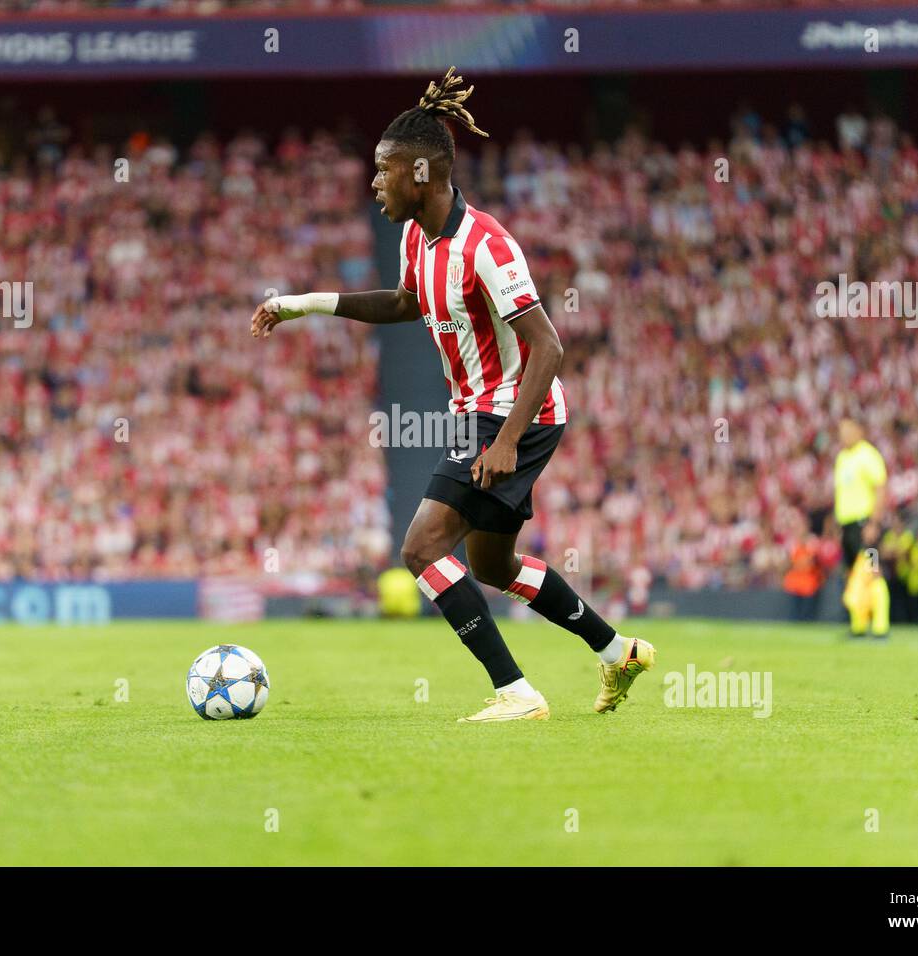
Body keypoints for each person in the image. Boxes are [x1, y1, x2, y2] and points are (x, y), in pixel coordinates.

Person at [250, 68, 654, 722]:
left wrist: (506, 441)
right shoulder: (417, 235)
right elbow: (404, 302)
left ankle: (516, 694)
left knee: (420, 548)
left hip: (512, 410)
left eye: (382, 170)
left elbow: (548, 347)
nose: (373, 182)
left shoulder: (486, 245)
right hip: (481, 413)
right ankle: (617, 651)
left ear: (419, 172)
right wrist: (305, 305)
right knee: (493, 566)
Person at [833, 418, 891, 638]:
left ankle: (880, 625)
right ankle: (858, 625)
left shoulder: (868, 455)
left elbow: (880, 489)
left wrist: (874, 523)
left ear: (859, 430)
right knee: (852, 573)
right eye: (841, 431)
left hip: (864, 524)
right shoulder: (842, 458)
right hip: (847, 526)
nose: (843, 435)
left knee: (873, 569)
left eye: (847, 430)